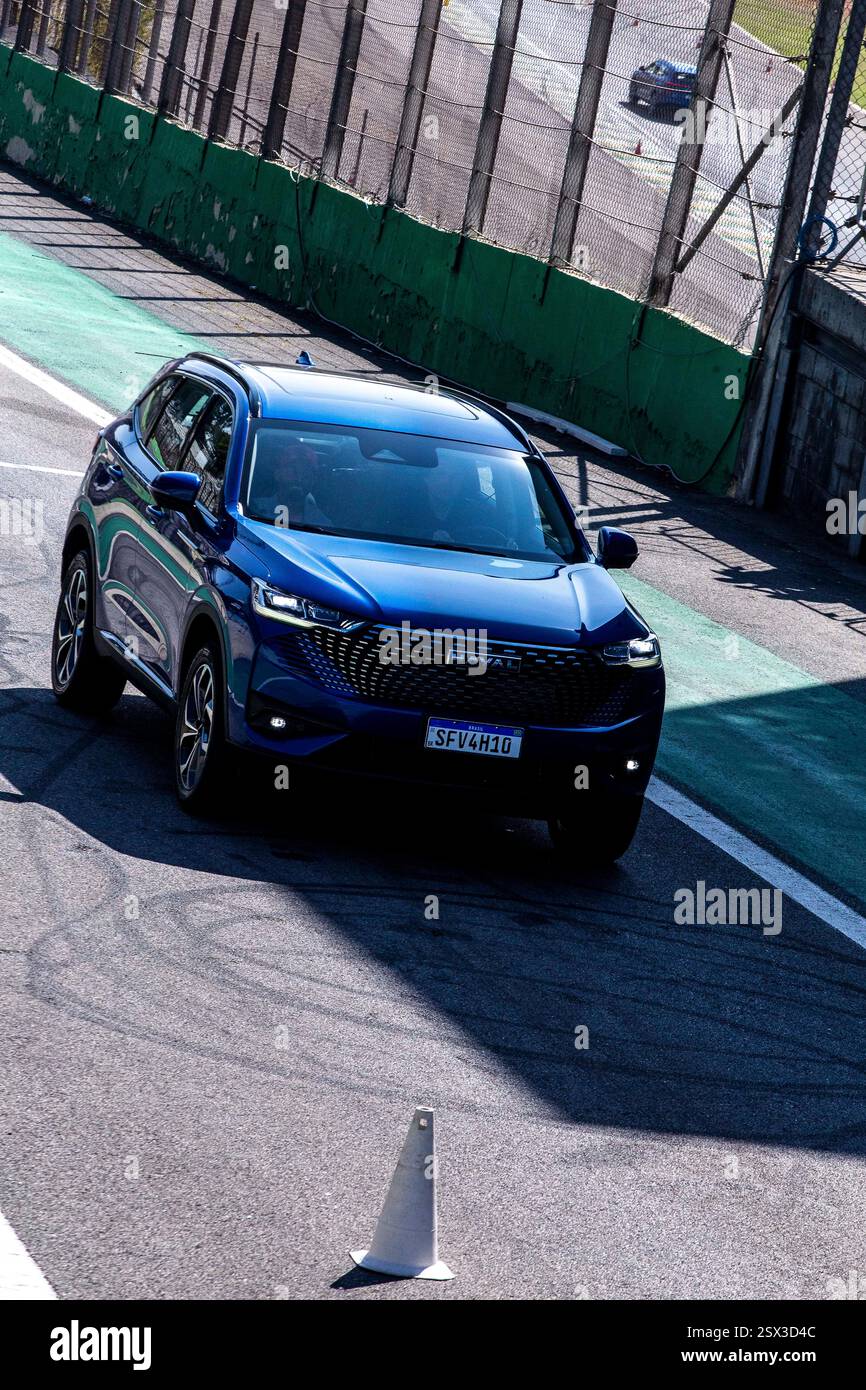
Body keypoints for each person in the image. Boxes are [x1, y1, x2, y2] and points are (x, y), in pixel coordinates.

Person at [249, 439, 331, 528]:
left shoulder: (324, 525)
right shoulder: (253, 511)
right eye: (292, 468)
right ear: (277, 473)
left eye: (306, 470)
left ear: (313, 479)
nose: (299, 476)